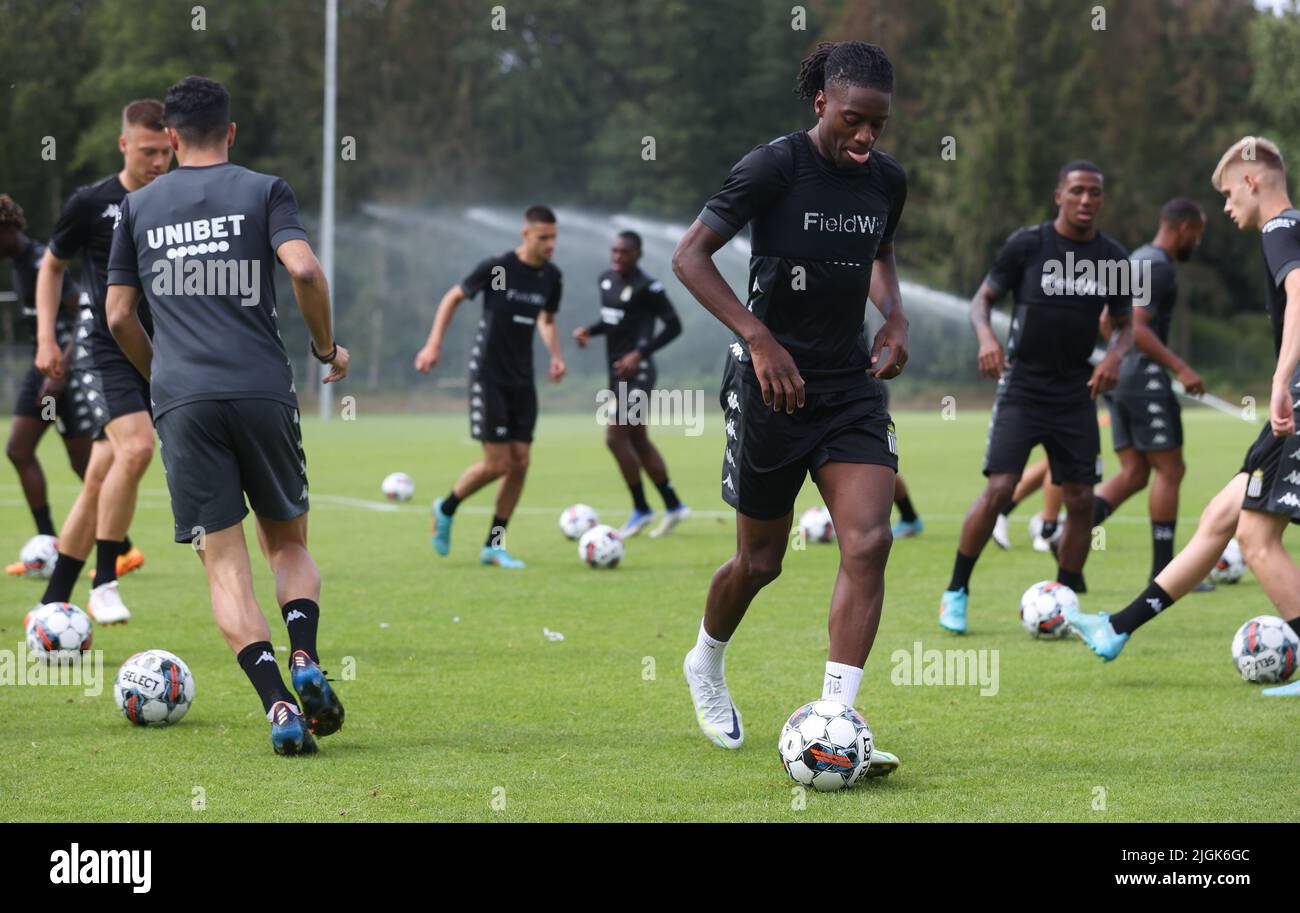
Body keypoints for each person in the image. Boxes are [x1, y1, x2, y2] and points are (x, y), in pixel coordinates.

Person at [672, 40, 907, 776]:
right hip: (771, 389)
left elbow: (881, 252)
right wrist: (757, 336)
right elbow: (689, 256)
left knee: (868, 540)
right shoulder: (774, 166)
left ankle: (835, 716)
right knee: (761, 560)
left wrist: (894, 318)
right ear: (821, 106)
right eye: (853, 120)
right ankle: (705, 663)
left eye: (878, 124)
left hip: (848, 389)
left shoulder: (886, 181)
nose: (866, 137)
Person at [105, 75, 348, 753]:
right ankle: (304, 656)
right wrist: (326, 347)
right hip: (263, 390)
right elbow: (303, 270)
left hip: (184, 399)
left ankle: (278, 707)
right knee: (290, 544)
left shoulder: (137, 207)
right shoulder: (264, 189)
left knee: (224, 566)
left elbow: (119, 316)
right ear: (231, 132)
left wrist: (164, 380)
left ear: (172, 138)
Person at [1068, 137, 1300, 696]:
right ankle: (1117, 627)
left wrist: (1279, 381)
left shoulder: (1279, 230)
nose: (1224, 207)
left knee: (1256, 536)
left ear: (1250, 181)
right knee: (1222, 515)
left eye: (1226, 193)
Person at [939, 160, 1134, 633]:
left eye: (1095, 193)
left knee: (1082, 499)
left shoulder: (1114, 257)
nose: (1086, 200)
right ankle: (956, 591)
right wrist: (987, 338)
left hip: (1076, 392)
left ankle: (1066, 594)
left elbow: (1126, 324)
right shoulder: (1029, 244)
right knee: (1001, 488)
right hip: (1023, 388)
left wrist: (1114, 358)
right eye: (1077, 191)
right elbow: (982, 300)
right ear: (1059, 196)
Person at [33, 100, 172, 622]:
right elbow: (51, 267)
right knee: (136, 449)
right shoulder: (92, 202)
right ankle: (107, 579)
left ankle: (52, 603)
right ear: (124, 145)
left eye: (167, 152)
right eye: (148, 152)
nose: (159, 162)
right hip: (103, 347)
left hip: (161, 354)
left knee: (100, 476)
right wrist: (46, 338)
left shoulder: (178, 202)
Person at [416, 206, 565, 569]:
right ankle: (446, 507)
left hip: (522, 379)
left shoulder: (551, 277)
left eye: (554, 237)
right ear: (526, 234)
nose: (550, 244)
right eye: (543, 237)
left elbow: (546, 319)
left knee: (521, 463)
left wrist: (556, 356)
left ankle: (493, 545)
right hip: (489, 375)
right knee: (498, 463)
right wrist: (433, 344)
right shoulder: (498, 268)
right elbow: (453, 297)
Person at [1092, 199, 1208, 583]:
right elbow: (1138, 327)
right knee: (1171, 469)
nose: (1198, 242)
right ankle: (1166, 571)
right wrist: (1180, 367)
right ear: (1184, 228)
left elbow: (1108, 319)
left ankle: (1069, 531)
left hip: (1120, 377)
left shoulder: (1138, 258)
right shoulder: (1159, 267)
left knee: (1135, 472)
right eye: (1198, 234)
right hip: (1145, 381)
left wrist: (1119, 359)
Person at [573, 230, 690, 538]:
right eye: (614, 251)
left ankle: (641, 509)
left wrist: (639, 353)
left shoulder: (648, 287)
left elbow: (675, 326)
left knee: (614, 437)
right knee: (637, 439)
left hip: (639, 374)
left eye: (624, 252)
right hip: (616, 375)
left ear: (638, 254)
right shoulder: (606, 280)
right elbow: (613, 322)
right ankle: (674, 505)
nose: (617, 257)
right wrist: (589, 330)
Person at [0, 194, 91, 557]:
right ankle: (49, 544)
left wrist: (63, 371)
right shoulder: (18, 266)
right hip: (43, 370)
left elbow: (84, 309)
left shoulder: (44, 262)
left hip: (67, 369)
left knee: (85, 463)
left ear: (5, 229)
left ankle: (120, 547)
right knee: (19, 450)